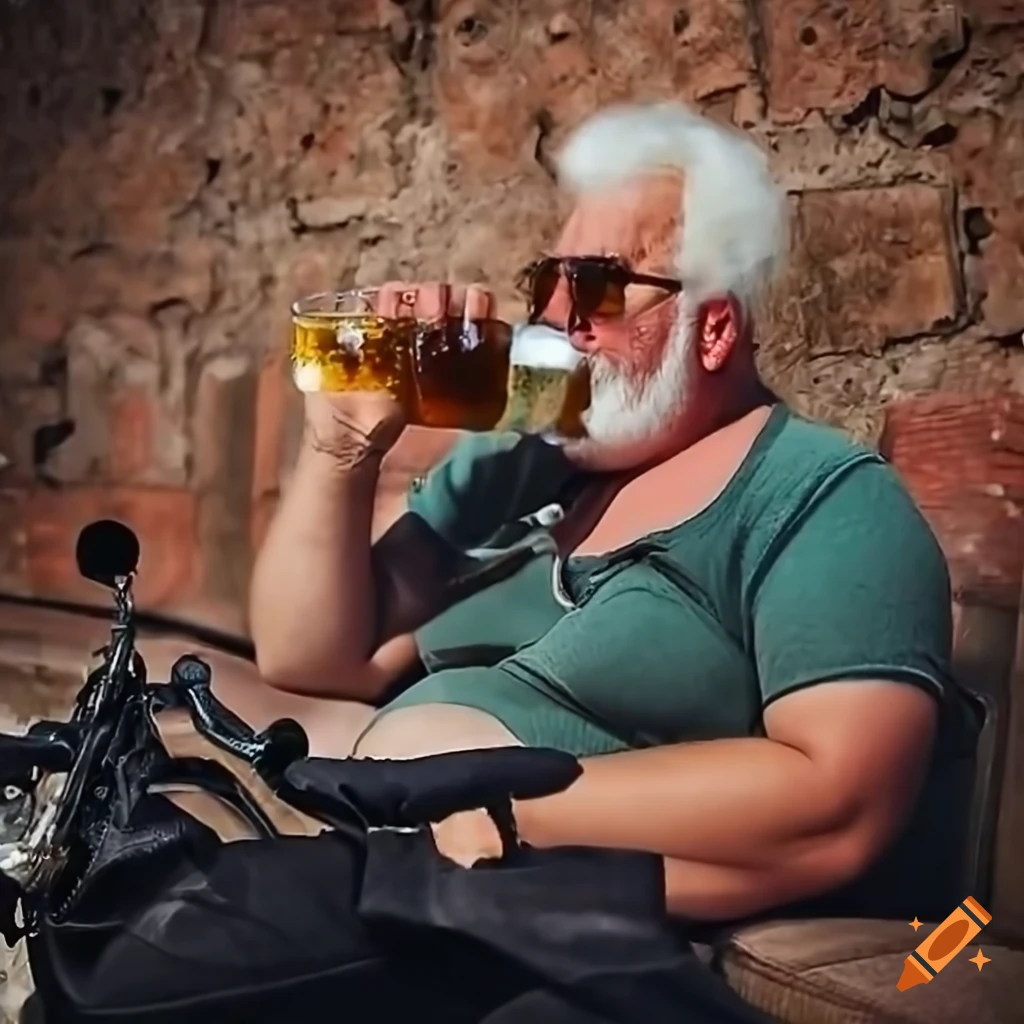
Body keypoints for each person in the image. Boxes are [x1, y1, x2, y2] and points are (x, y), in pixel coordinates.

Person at [249, 100, 963, 928]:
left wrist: (505, 811)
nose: (555, 320)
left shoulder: (823, 502)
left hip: (545, 923)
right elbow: (312, 652)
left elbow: (840, 804)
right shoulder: (525, 456)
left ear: (714, 329)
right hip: (407, 878)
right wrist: (341, 450)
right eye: (544, 285)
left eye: (595, 287)